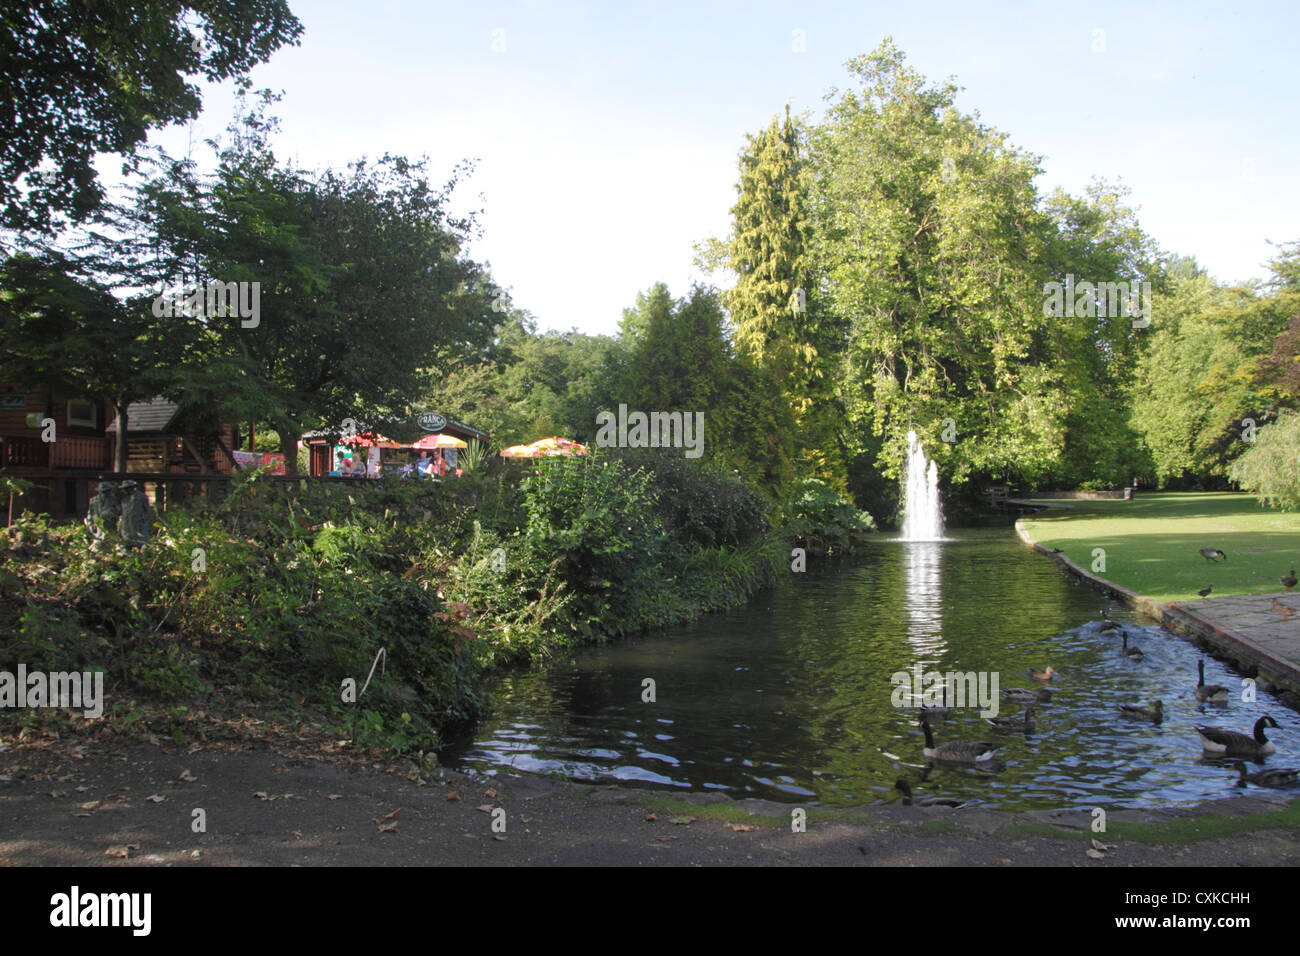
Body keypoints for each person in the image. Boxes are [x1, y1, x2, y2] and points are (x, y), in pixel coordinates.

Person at [84, 480, 120, 550]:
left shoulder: (114, 500)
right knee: (97, 546)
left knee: (111, 547)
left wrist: (111, 514)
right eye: (103, 491)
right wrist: (90, 525)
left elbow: (119, 511)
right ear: (99, 491)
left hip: (111, 527)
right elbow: (90, 514)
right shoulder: (94, 500)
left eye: (107, 491)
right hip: (99, 528)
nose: (105, 493)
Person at [118, 479, 151, 548]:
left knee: (141, 544)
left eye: (127, 488)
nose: (126, 490)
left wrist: (142, 519)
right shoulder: (123, 498)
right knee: (126, 544)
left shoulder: (141, 497)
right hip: (126, 526)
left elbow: (147, 511)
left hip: (139, 525)